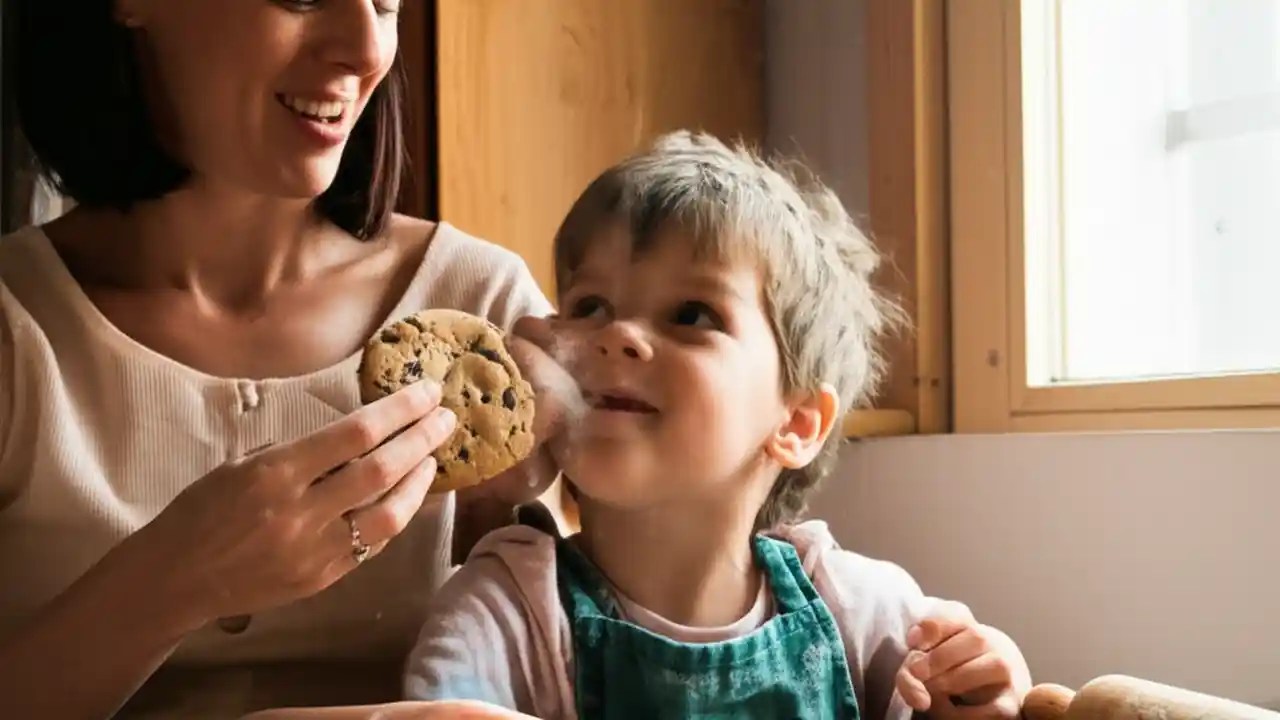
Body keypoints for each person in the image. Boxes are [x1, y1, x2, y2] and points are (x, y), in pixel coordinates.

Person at [0, 2, 565, 718]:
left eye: (386, 2)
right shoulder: (16, 328)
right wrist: (177, 579)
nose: (365, 48)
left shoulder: (482, 303)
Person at [393, 132, 1034, 719]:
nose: (618, 335)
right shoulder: (508, 614)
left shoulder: (867, 615)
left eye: (693, 314)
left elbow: (972, 699)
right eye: (590, 305)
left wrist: (981, 693)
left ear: (799, 423)